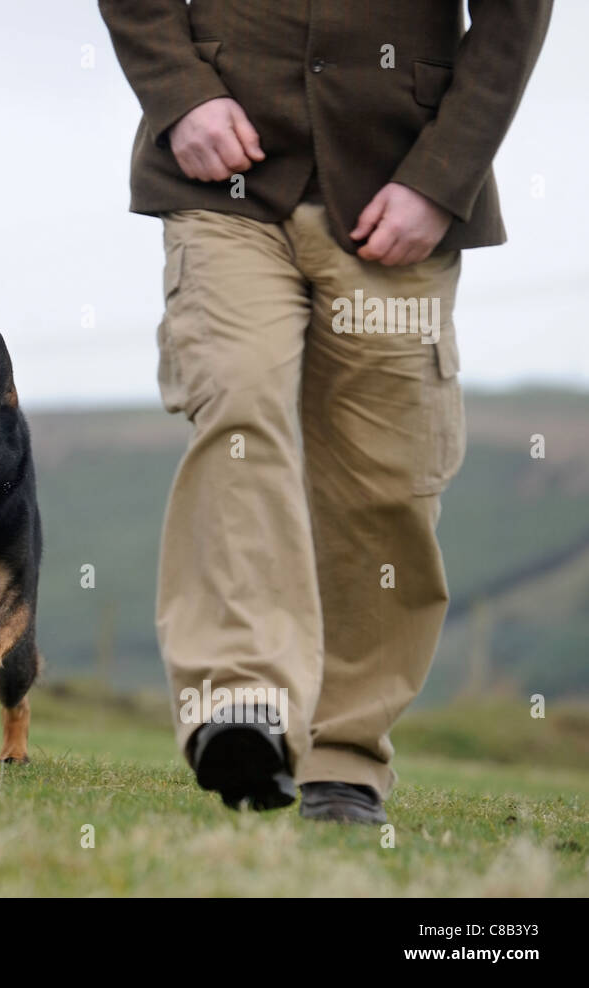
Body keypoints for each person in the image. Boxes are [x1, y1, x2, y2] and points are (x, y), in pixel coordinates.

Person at [99, 0, 552, 822]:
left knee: (384, 481)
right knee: (239, 403)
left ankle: (343, 758)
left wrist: (441, 175)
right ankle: (241, 707)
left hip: (398, 185)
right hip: (222, 175)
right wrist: (179, 90)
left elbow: (516, 13)